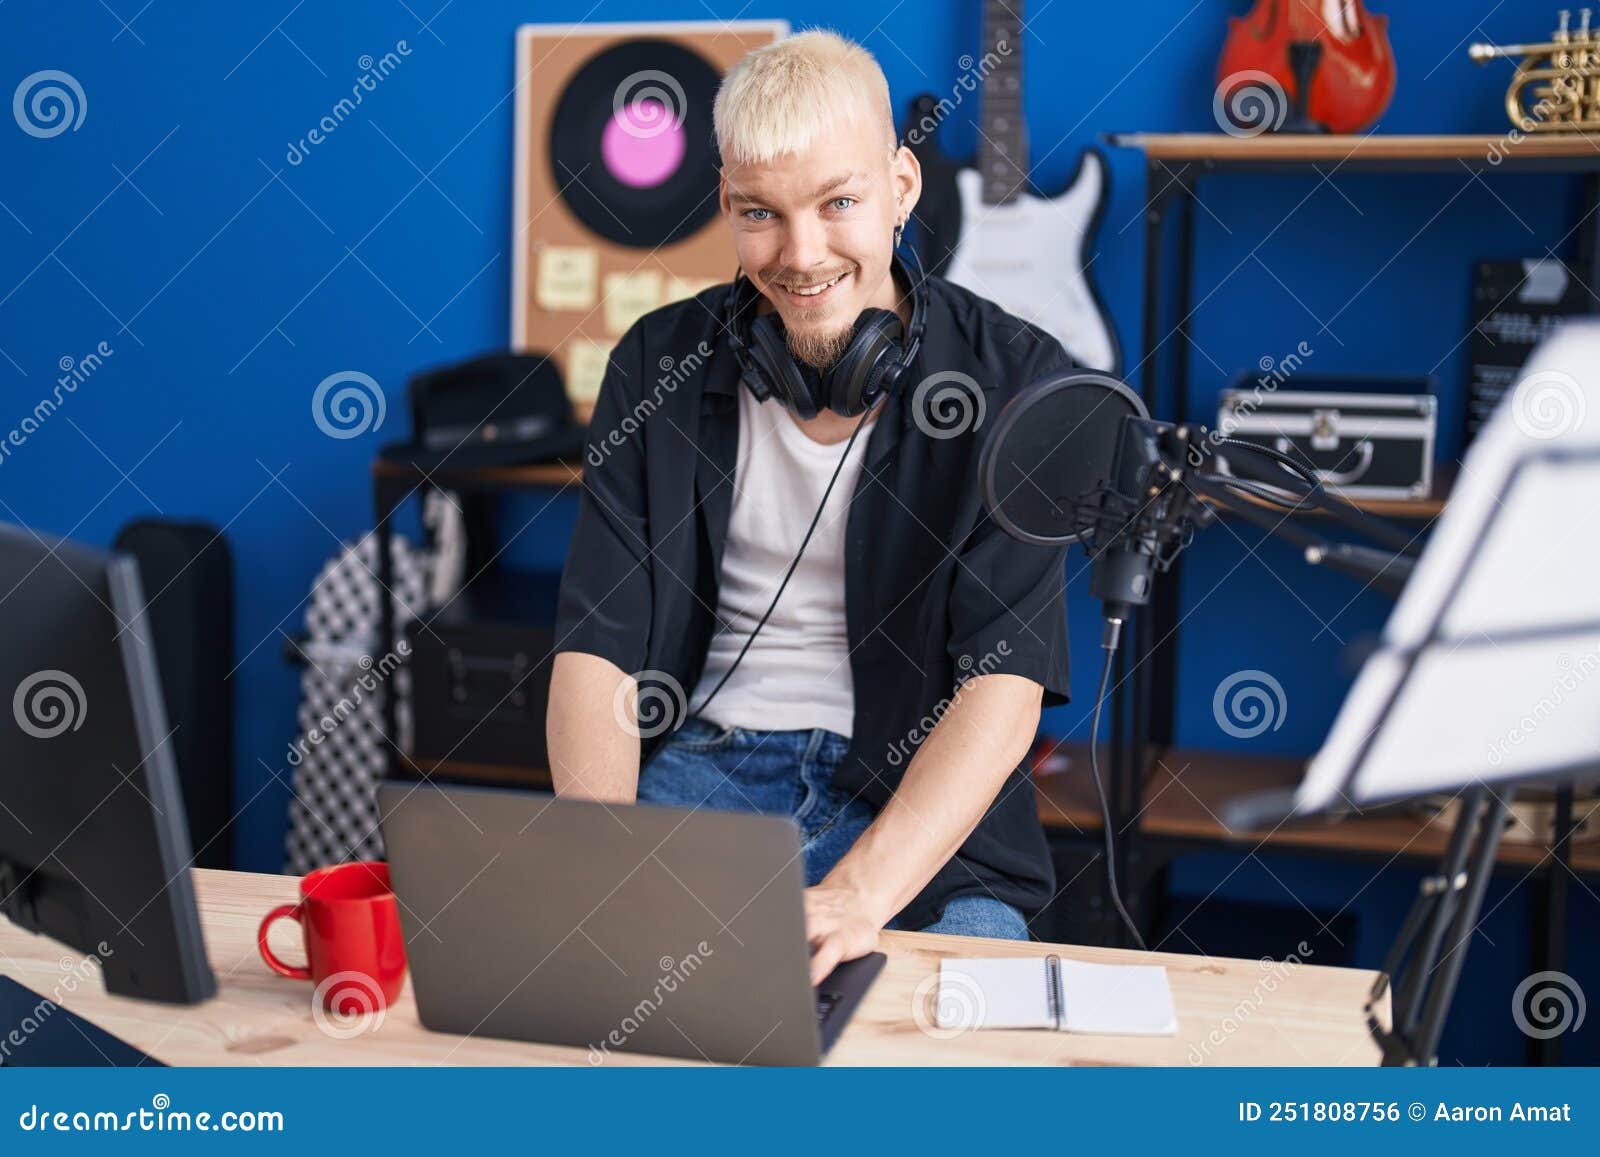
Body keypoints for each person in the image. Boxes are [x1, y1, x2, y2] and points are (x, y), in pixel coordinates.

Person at [547, 29, 1075, 985]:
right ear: (725, 205)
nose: (801, 255)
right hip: (705, 773)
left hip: (927, 817)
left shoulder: (1020, 381)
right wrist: (600, 861)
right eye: (762, 213)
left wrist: (861, 892)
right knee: (594, 1012)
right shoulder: (655, 363)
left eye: (839, 203)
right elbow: (599, 648)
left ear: (902, 186)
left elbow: (1006, 688)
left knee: (947, 1046)